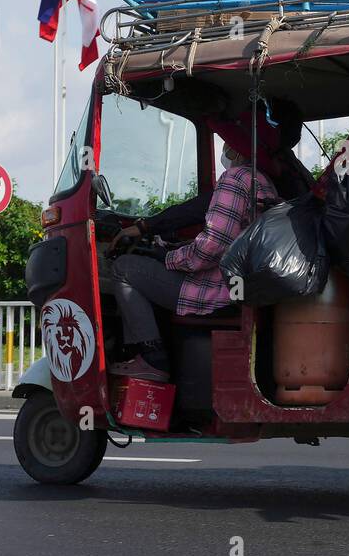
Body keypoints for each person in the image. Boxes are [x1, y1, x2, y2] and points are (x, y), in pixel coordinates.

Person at [108, 143, 278, 383]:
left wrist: (166, 257)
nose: (225, 150)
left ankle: (151, 359)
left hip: (217, 291)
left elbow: (211, 247)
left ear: (239, 150)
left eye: (228, 144)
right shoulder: (265, 183)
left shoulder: (236, 178)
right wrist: (176, 249)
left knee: (125, 268)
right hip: (241, 286)